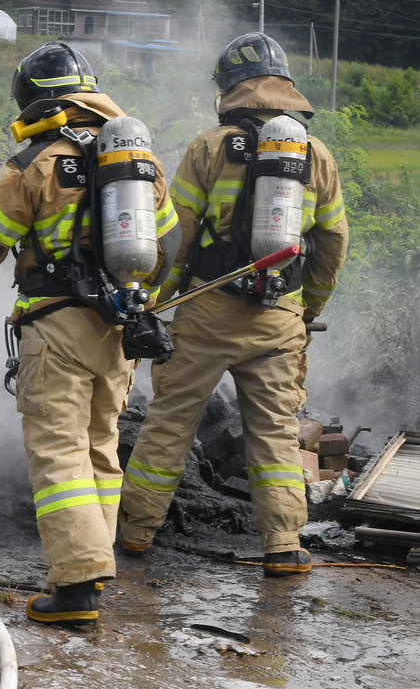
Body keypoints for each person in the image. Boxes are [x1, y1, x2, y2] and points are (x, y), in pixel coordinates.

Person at [0, 41, 179, 624]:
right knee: (101, 445)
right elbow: (173, 247)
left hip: (55, 326)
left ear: (33, 99)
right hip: (119, 330)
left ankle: (76, 587)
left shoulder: (38, 161)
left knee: (58, 452)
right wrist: (137, 299)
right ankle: (95, 568)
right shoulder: (139, 164)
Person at [119, 32, 348, 576]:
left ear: (230, 88)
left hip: (206, 312)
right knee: (274, 433)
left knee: (170, 422)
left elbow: (176, 233)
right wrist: (307, 306)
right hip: (279, 318)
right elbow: (332, 241)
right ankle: (284, 546)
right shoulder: (316, 156)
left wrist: (156, 301)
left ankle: (133, 534)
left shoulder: (208, 147)